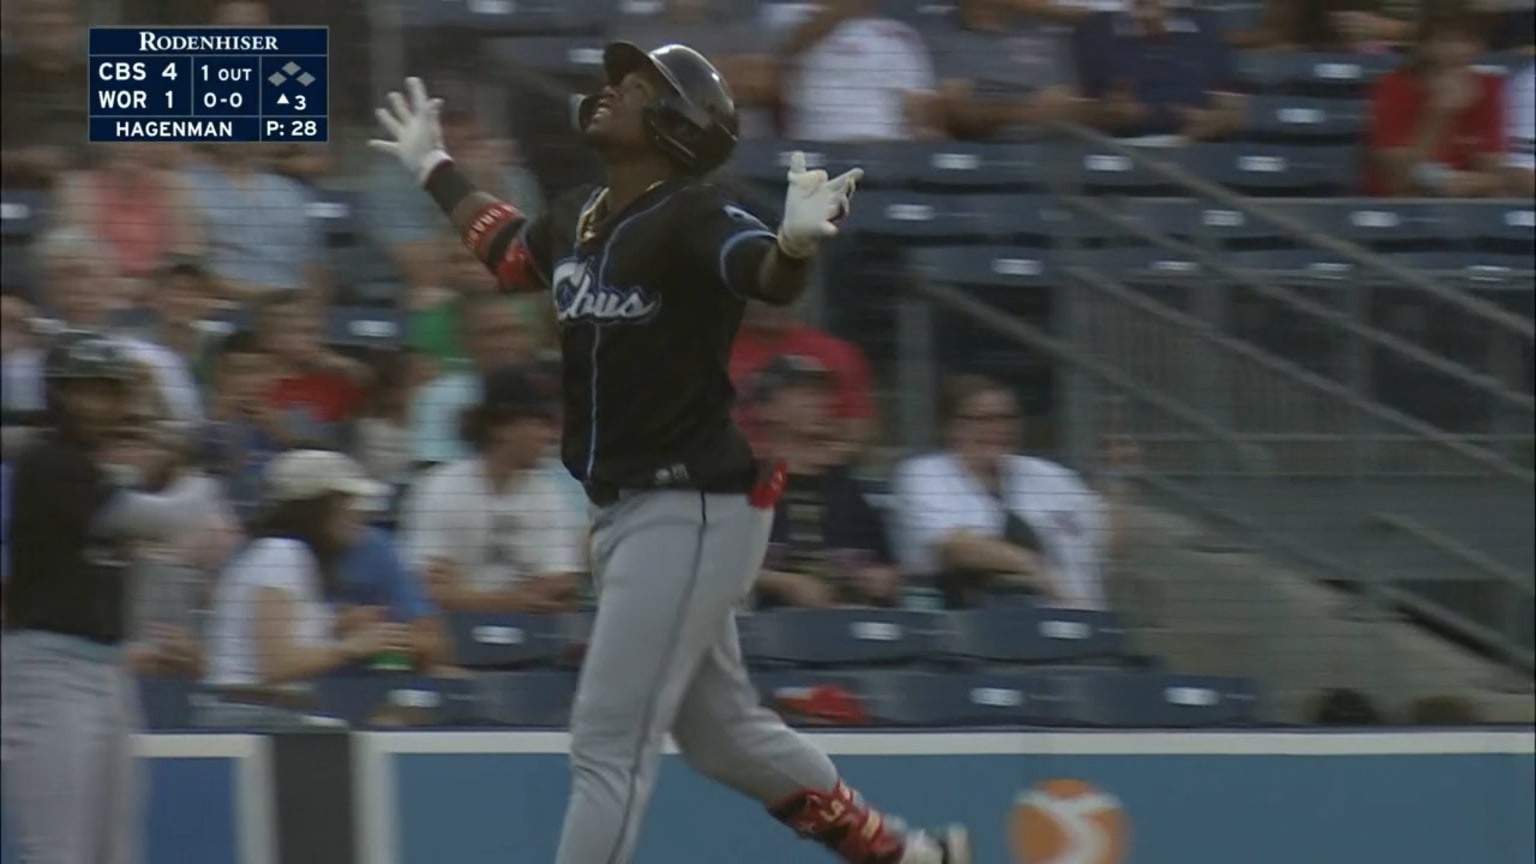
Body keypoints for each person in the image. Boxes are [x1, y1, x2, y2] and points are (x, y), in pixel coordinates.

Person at [370, 44, 970, 864]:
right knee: (724, 737)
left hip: (690, 504)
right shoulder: (581, 212)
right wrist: (435, 166)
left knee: (607, 742)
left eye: (636, 87)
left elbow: (764, 272)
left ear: (676, 126)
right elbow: (508, 252)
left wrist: (795, 247)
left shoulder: (693, 212)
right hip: (631, 512)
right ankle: (905, 855)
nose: (611, 90)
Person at [1, 329, 208, 864]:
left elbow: (134, 490)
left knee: (114, 850)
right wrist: (197, 473)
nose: (99, 404)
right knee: (58, 851)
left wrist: (169, 450)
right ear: (58, 393)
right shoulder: (50, 462)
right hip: (48, 672)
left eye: (109, 391)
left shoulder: (91, 467)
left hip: (107, 670)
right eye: (86, 390)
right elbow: (157, 519)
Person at [200, 449, 413, 725]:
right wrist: (352, 647)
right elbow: (276, 665)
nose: (357, 513)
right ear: (317, 508)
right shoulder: (281, 554)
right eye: (345, 501)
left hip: (266, 714)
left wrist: (336, 625)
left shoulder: (281, 554)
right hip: (253, 717)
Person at [893, 375, 1123, 610]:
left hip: (1082, 618)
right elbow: (955, 546)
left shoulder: (1049, 475)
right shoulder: (925, 473)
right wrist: (1038, 571)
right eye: (984, 419)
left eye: (1007, 418)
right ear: (952, 427)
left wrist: (1117, 476)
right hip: (970, 622)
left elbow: (1108, 540)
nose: (999, 429)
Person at [402, 365, 587, 614]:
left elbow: (561, 585)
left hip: (530, 630)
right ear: (501, 427)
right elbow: (427, 588)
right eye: (538, 424)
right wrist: (510, 601)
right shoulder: (442, 487)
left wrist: (465, 594)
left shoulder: (549, 494)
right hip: (454, 628)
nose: (549, 436)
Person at [1364, 10, 1508, 196]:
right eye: (1444, 41)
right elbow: (1397, 181)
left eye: (1465, 41)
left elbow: (1493, 169)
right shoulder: (1393, 87)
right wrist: (1440, 113)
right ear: (1423, 47)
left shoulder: (1487, 87)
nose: (1455, 51)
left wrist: (1476, 182)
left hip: (1467, 195)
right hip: (1404, 200)